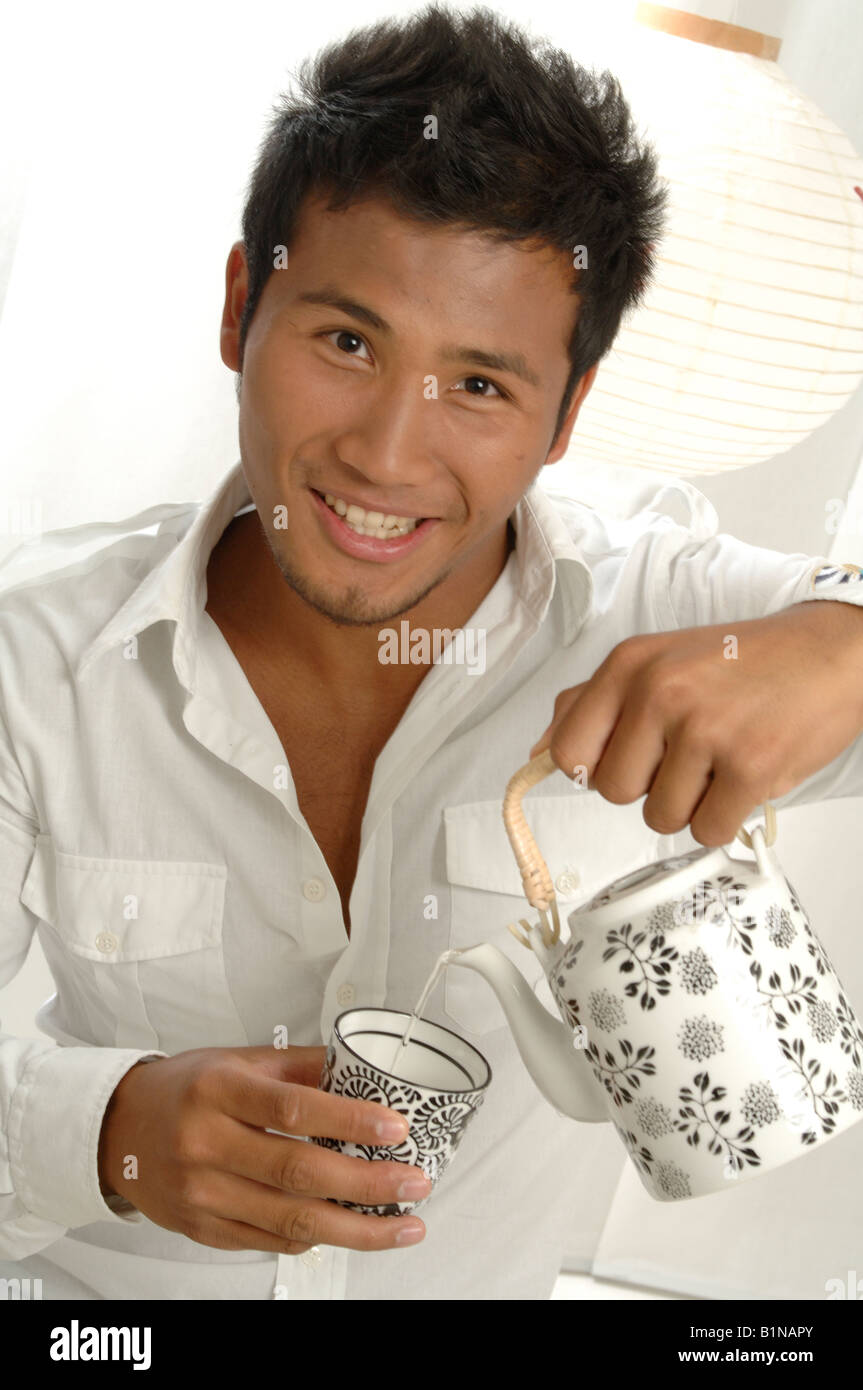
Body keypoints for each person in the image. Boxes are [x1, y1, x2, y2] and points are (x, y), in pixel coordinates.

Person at [1, 3, 863, 1302]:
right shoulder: (33, 656)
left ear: (567, 415)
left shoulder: (662, 601)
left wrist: (848, 639)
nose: (386, 457)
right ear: (241, 308)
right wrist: (102, 1132)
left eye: (480, 385)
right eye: (348, 341)